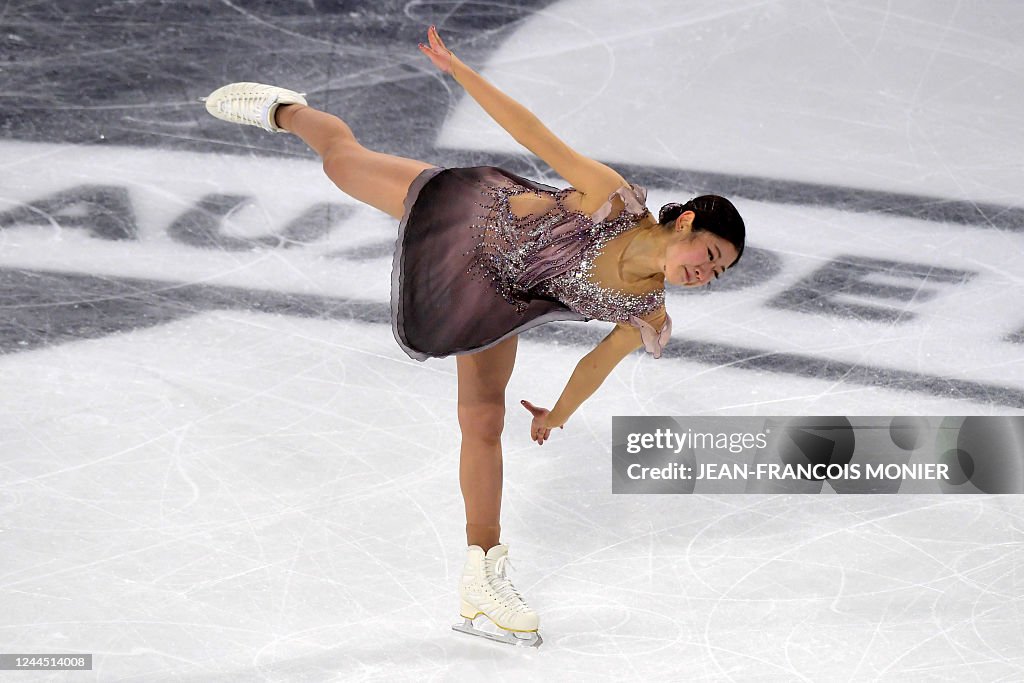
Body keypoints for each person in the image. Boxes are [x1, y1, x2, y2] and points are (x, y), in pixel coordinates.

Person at [202, 25, 745, 647]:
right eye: (708, 253)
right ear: (686, 222)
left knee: (484, 422)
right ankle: (288, 110)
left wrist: (557, 414)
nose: (704, 273)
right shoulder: (612, 199)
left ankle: (481, 570)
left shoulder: (646, 309)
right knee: (340, 163)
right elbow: (533, 135)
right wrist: (459, 71)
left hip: (497, 300)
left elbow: (599, 363)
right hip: (472, 220)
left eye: (716, 274)